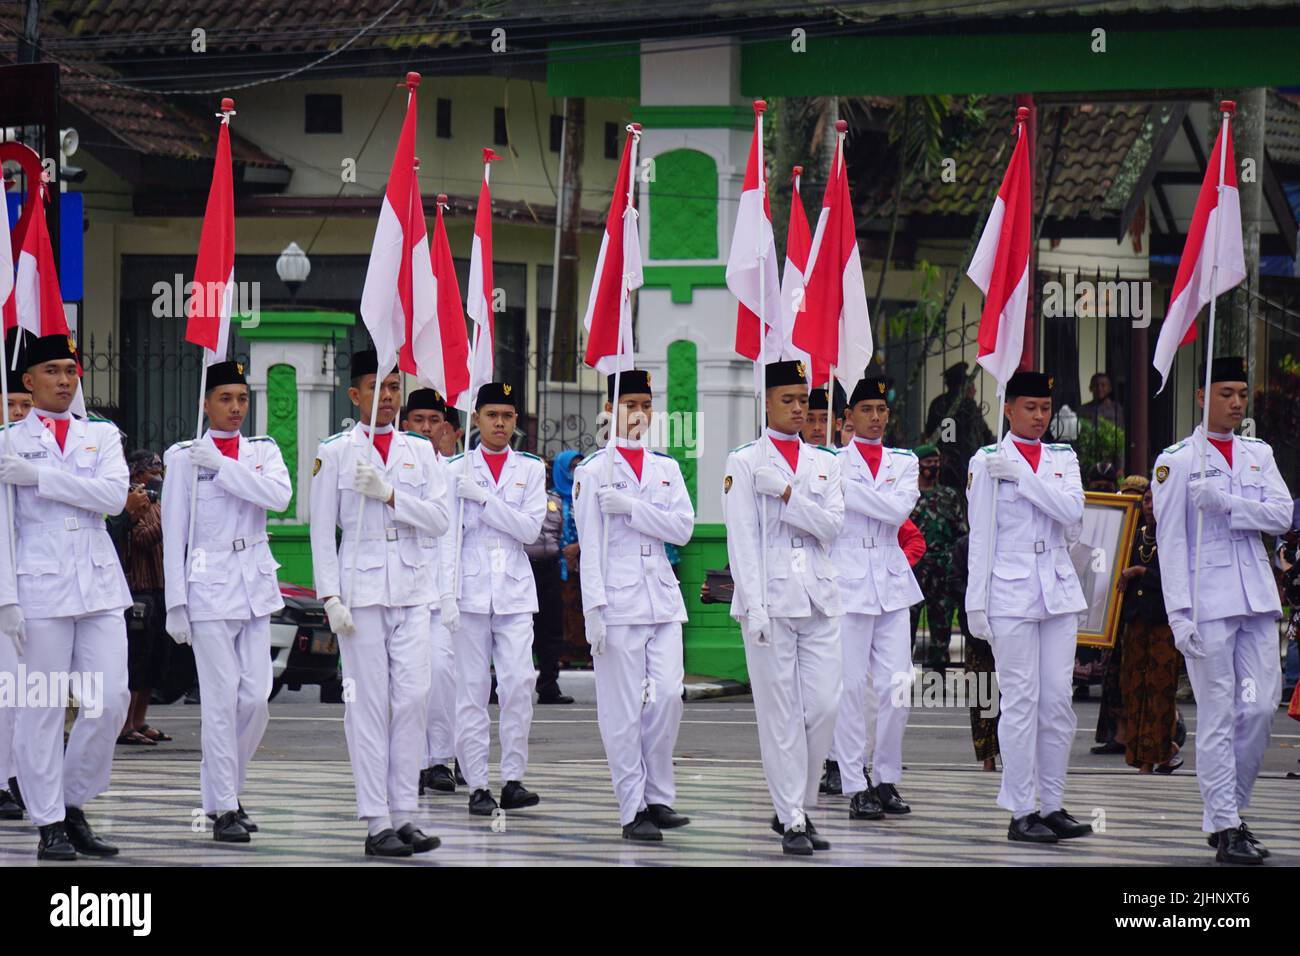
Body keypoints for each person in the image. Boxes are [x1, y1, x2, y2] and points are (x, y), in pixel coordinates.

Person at [1151, 355, 1293, 865]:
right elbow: (1170, 543)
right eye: (1226, 393)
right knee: (1217, 714)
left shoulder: (1258, 454)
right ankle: (1228, 825)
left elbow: (1281, 514)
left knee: (1257, 709)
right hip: (1206, 603)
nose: (1236, 403)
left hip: (1254, 598)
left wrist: (1230, 503)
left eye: (1241, 394)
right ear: (1202, 398)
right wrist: (1179, 615)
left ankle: (1229, 813)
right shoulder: (1177, 461)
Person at [309, 348, 449, 857]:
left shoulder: (420, 450)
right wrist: (329, 597)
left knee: (413, 698)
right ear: (355, 395)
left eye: (393, 387)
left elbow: (439, 519)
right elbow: (322, 530)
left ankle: (405, 812)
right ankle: (377, 821)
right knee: (368, 707)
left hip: (412, 589)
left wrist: (391, 495)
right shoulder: (339, 451)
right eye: (376, 387)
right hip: (361, 592)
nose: (386, 397)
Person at [0, 332, 131, 860]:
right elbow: (3, 528)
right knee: (42, 710)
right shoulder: (8, 442)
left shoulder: (101, 437)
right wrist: (5, 598)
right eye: (51, 371)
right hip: (39, 588)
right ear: (28, 381)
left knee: (110, 700)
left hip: (98, 584)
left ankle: (73, 803)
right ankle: (49, 821)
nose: (62, 380)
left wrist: (42, 477)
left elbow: (115, 498)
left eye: (69, 372)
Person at [162, 360, 293, 842]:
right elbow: (174, 532)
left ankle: (226, 793)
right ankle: (224, 809)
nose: (236, 408)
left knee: (255, 699)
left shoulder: (263, 450)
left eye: (241, 398)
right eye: (225, 399)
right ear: (206, 402)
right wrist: (176, 604)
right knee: (219, 703)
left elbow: (279, 497)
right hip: (208, 587)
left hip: (255, 585)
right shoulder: (183, 457)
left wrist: (225, 467)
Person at [722, 359, 844, 856]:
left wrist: (790, 493)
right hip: (769, 601)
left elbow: (833, 528)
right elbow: (742, 541)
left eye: (803, 400)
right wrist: (754, 608)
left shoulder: (825, 463)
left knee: (824, 707)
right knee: (780, 716)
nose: (799, 408)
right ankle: (794, 818)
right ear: (766, 402)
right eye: (788, 400)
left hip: (818, 597)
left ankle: (795, 802)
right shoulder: (746, 462)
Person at [965, 369, 1091, 845]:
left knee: (1058, 700)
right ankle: (1021, 810)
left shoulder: (1063, 457)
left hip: (1056, 587)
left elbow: (1073, 512)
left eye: (1045, 409)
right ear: (1010, 409)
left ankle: (1052, 803)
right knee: (1021, 701)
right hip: (1009, 590)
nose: (1039, 417)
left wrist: (1026, 477)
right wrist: (976, 603)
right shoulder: (986, 460)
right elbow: (981, 536)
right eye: (1030, 408)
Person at [573, 370, 695, 841]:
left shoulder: (665, 468)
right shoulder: (592, 471)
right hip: (617, 600)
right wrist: (593, 612)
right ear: (609, 410)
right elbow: (590, 549)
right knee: (621, 710)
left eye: (645, 403)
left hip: (661, 598)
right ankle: (632, 809)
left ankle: (659, 796)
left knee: (667, 696)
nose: (639, 413)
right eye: (629, 404)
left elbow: (682, 529)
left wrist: (632, 509)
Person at [440, 382, 546, 818]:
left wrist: (484, 498)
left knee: (519, 683)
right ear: (477, 418)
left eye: (507, 415)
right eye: (491, 415)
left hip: (515, 591)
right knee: (472, 690)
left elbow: (530, 530)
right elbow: (446, 537)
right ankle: (478, 784)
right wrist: (445, 592)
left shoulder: (531, 469)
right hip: (468, 591)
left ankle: (514, 779)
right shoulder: (454, 470)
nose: (499, 423)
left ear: (515, 421)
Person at [827, 373, 921, 822]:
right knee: (849, 688)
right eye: (867, 410)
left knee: (897, 685)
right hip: (846, 582)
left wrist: (852, 493)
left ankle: (884, 777)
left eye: (882, 410)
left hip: (890, 578)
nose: (876, 417)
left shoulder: (904, 461)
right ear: (848, 417)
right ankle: (854, 781)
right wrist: (865, 496)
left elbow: (898, 511)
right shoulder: (830, 464)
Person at [401, 388, 460, 795]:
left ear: (446, 428)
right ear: (407, 424)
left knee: (441, 675)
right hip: (401, 588)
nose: (426, 428)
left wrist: (452, 593)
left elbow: (456, 538)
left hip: (441, 592)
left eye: (434, 421)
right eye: (419, 420)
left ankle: (441, 759)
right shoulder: (394, 465)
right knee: (406, 682)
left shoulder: (457, 472)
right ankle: (411, 762)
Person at [1114, 477, 1183, 774]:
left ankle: (1156, 756)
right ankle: (1145, 754)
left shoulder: (1176, 537)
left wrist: (1143, 572)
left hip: (1163, 622)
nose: (1149, 506)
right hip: (1136, 622)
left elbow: (1179, 579)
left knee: (1159, 689)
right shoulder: (1134, 535)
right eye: (1146, 501)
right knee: (1134, 687)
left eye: (1155, 501)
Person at [113, 450, 169, 747]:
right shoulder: (132, 500)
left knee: (153, 660)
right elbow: (140, 538)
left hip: (160, 587)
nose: (158, 474)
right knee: (135, 659)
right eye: (153, 469)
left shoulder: (159, 502)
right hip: (138, 589)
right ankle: (123, 724)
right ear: (137, 474)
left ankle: (139, 719)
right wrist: (169, 519)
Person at [0, 342, 31, 820]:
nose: (21, 413)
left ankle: (12, 777)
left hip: (25, 581)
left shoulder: (28, 455)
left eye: (25, 406)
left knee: (19, 688)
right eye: (12, 406)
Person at [908, 442, 968, 670]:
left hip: (941, 571)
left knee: (941, 624)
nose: (933, 467)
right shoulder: (908, 496)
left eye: (936, 463)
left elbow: (960, 533)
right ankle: (902, 671)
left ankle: (938, 674)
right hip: (913, 571)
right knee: (907, 624)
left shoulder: (949, 496)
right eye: (928, 463)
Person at [526, 459, 574, 705]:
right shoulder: (519, 497)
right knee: (522, 628)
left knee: (552, 627)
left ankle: (548, 685)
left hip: (551, 567)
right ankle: (513, 684)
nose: (543, 477)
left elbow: (563, 534)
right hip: (526, 568)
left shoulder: (555, 501)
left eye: (545, 473)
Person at [951, 532, 999, 770]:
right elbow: (955, 581)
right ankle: (987, 758)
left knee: (1012, 697)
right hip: (977, 634)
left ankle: (1012, 756)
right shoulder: (965, 544)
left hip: (1008, 627)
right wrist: (977, 596)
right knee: (983, 696)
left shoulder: (1005, 540)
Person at [925, 361, 994, 490]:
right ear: (964, 388)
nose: (975, 390)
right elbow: (983, 434)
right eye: (971, 386)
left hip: (952, 463)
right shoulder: (959, 405)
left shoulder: (941, 402)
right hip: (961, 464)